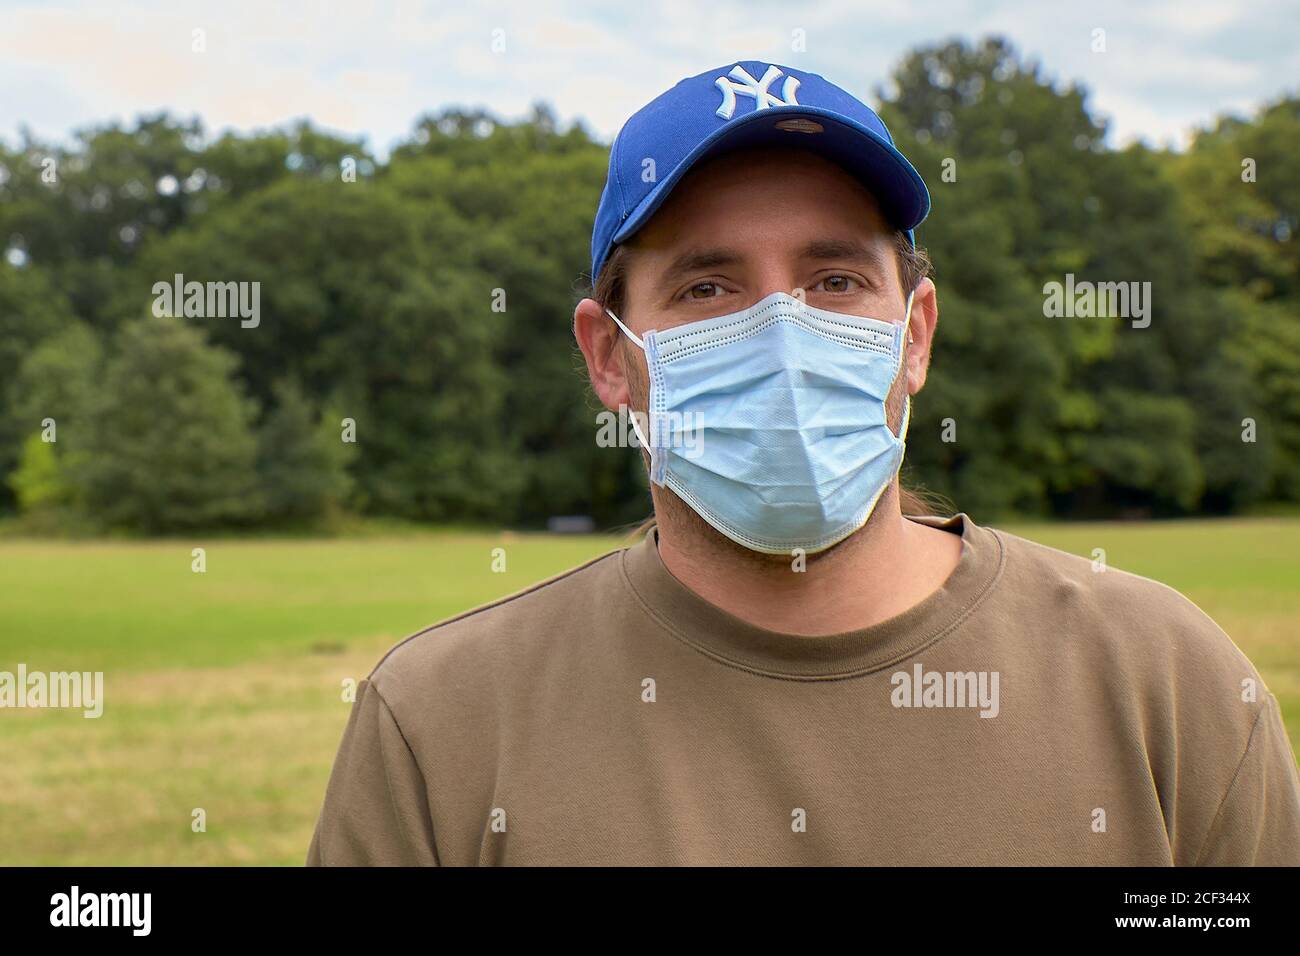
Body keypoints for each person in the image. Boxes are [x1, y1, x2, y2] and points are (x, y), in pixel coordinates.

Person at [307, 60, 1300, 865]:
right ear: (609, 354)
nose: (782, 332)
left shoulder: (1163, 682)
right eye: (706, 286)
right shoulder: (439, 722)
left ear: (914, 333)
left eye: (834, 278)